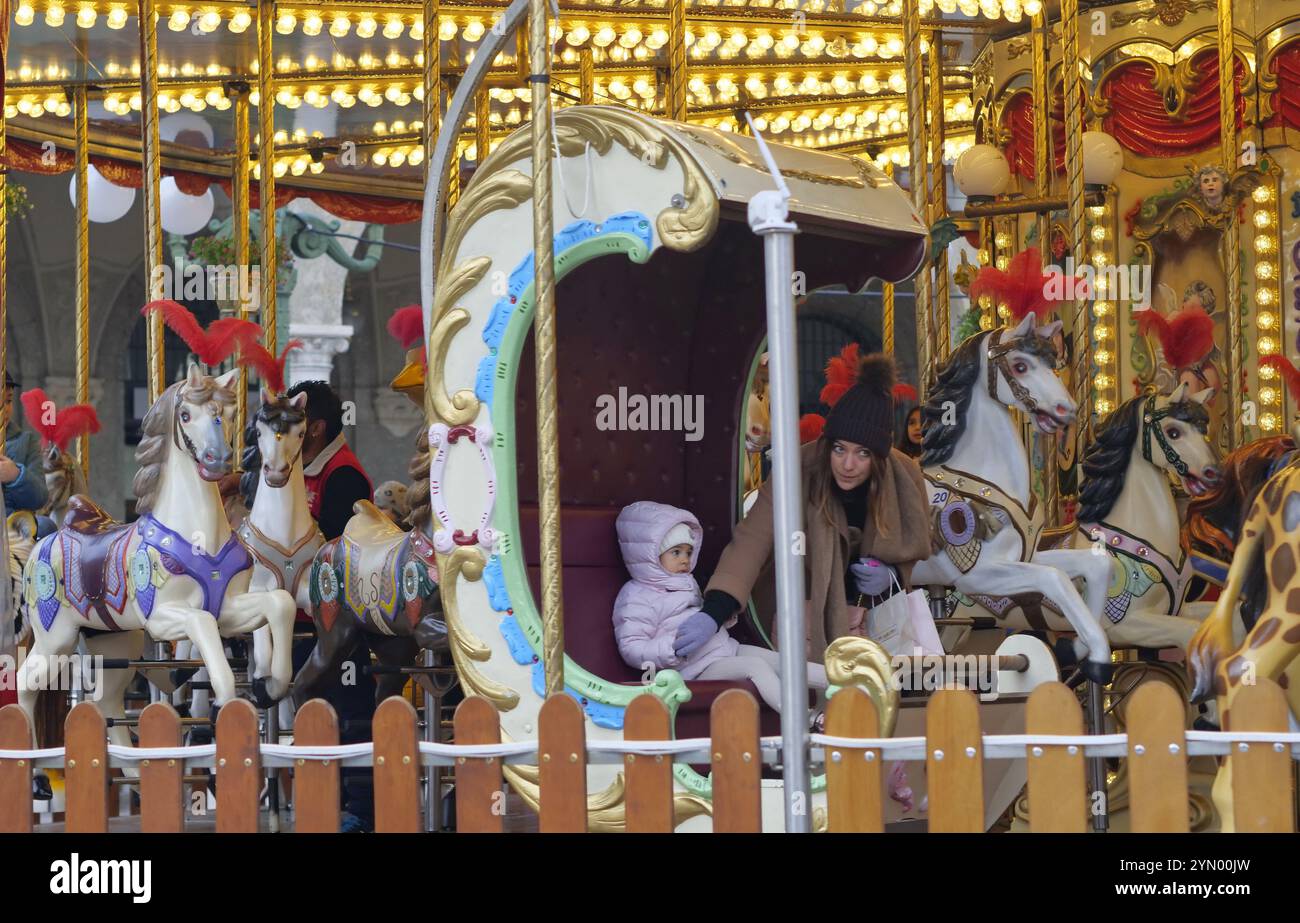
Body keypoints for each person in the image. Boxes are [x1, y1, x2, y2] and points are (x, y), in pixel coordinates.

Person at [683, 353, 932, 663]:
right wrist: (715, 610)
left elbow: (917, 542)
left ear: (879, 458)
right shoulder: (797, 468)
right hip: (798, 612)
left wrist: (893, 572)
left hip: (870, 620)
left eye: (862, 453)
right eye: (839, 449)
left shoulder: (904, 478)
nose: (848, 465)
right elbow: (752, 540)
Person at [612, 501, 826, 715]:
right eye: (676, 552)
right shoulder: (636, 597)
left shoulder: (685, 582)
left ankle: (847, 683)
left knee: (784, 661)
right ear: (650, 557)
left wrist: (719, 619)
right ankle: (802, 720)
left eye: (688, 552)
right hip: (695, 669)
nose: (685, 560)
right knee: (756, 667)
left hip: (725, 648)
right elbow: (632, 647)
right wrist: (673, 647)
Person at [282, 379, 377, 832]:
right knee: (313, 714)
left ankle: (361, 808)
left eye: (294, 424)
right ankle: (326, 802)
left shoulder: (343, 475)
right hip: (301, 619)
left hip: (338, 621)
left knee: (349, 713)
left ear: (315, 428)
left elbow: (337, 548)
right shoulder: (298, 469)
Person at [1, 372, 49, 514]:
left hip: (15, 526)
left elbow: (40, 497)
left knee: (46, 526)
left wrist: (16, 475)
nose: (5, 409)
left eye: (8, 401)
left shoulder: (26, 441)